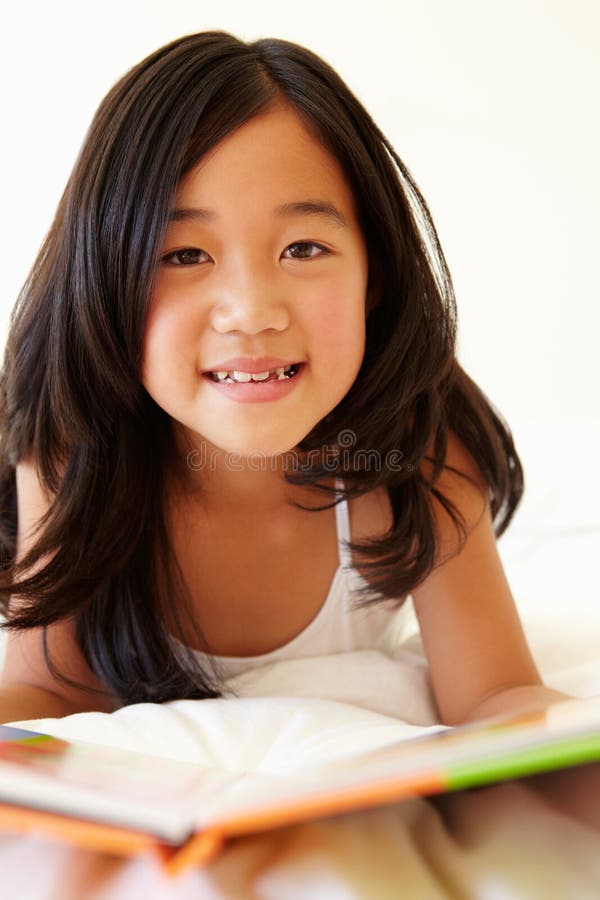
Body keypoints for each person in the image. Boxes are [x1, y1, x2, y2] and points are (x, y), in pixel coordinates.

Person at [0, 30, 569, 726]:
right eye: (183, 254)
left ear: (376, 275)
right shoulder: (72, 445)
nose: (252, 313)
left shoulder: (416, 446)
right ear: (103, 280)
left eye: (304, 248)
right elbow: (49, 694)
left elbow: (495, 696)